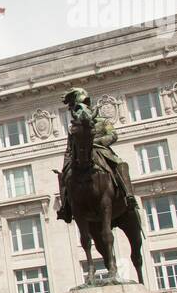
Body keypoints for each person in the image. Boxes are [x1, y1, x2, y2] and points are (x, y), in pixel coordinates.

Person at [56, 87, 139, 223]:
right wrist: (66, 165)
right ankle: (65, 207)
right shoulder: (74, 128)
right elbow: (69, 148)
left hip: (102, 151)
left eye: (85, 104)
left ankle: (129, 196)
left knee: (121, 165)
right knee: (64, 177)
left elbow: (113, 135)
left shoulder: (103, 121)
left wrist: (95, 142)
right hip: (80, 154)